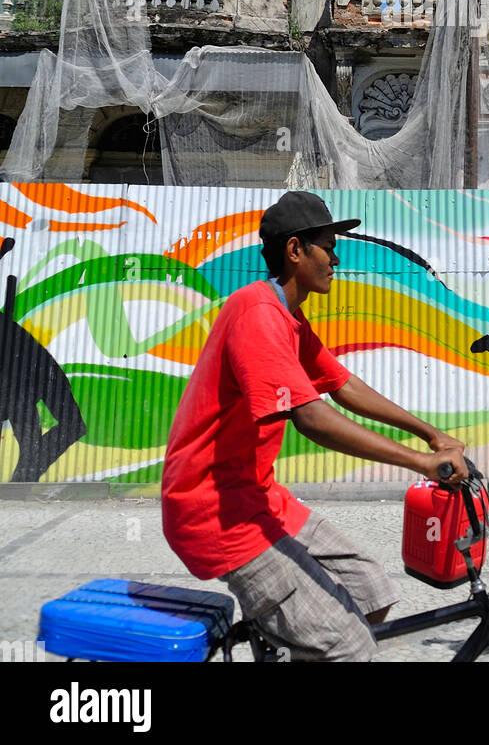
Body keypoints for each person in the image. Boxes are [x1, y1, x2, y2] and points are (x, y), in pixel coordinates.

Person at [161, 191, 468, 663]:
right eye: (328, 245)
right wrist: (421, 462)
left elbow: (342, 385)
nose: (337, 258)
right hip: (217, 511)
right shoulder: (257, 313)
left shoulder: (288, 316)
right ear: (296, 250)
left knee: (370, 590)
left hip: (259, 496)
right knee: (346, 647)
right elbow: (310, 417)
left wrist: (430, 433)